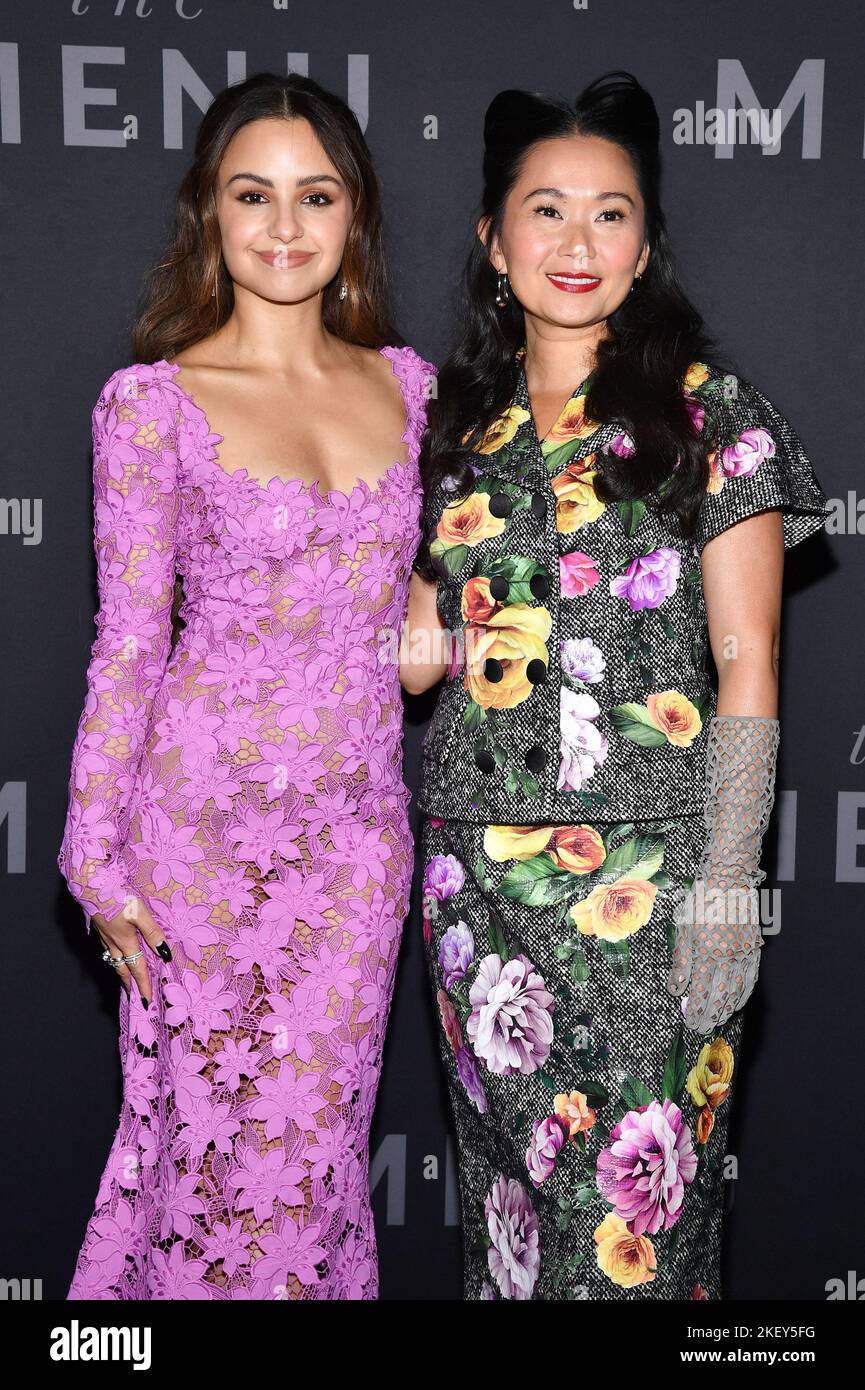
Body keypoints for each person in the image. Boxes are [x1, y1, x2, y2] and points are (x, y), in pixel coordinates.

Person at [401, 73, 831, 1301]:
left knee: (630, 1243)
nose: (576, 243)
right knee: (508, 1226)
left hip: (646, 899)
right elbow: (418, 657)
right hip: (472, 886)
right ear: (493, 239)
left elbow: (750, 656)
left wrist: (729, 876)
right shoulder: (448, 432)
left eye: (610, 214)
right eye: (545, 210)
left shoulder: (711, 419)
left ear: (645, 248)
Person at [57, 72, 435, 1300]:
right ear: (207, 214)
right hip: (201, 845)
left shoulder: (411, 388)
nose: (284, 226)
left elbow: (423, 588)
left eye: (314, 196)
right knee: (208, 1172)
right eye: (252, 194)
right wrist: (92, 852)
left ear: (354, 214)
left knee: (313, 1168)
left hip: (354, 846)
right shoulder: (152, 405)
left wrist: (432, 602)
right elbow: (126, 644)